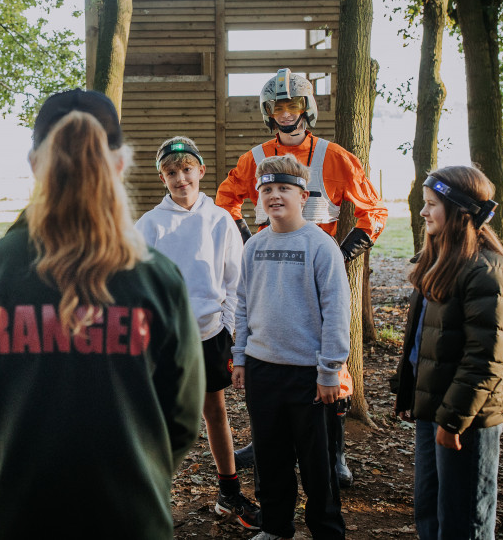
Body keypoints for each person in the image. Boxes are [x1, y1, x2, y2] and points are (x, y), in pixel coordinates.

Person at [0, 89, 205, 539]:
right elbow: (182, 420)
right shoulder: (158, 279)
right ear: (121, 163)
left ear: (34, 164)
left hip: (17, 517)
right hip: (130, 517)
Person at [216, 68, 388, 486]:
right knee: (263, 345)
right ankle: (265, 442)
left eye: (293, 105)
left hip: (317, 269)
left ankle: (334, 455)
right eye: (279, 107)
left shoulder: (335, 156)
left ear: (306, 108)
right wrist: (246, 240)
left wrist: (341, 253)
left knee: (330, 356)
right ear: (268, 112)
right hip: (268, 267)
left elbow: (375, 211)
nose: (286, 113)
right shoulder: (254, 158)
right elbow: (226, 198)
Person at [135, 136, 259, 531]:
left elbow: (234, 281)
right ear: (163, 178)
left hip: (210, 335)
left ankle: (228, 492)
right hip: (165, 341)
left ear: (201, 171)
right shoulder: (150, 224)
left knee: (215, 412)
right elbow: (138, 283)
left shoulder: (220, 219)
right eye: (172, 172)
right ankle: (152, 501)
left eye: (187, 169)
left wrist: (226, 329)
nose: (180, 178)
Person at [392, 166, 503, 539]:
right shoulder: (438, 261)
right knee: (430, 510)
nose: (422, 212)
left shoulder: (489, 273)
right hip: (433, 409)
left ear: (460, 211)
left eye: (431, 204)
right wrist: (409, 393)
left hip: (467, 419)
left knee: (464, 521)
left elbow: (485, 360)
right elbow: (422, 340)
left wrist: (453, 421)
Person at [232, 155, 350, 540]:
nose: (275, 196)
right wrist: (240, 358)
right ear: (258, 198)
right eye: (267, 190)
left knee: (317, 465)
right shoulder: (253, 246)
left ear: (303, 196)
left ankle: (327, 532)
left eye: (283, 188)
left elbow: (336, 310)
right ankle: (277, 528)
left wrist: (330, 369)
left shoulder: (321, 245)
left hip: (310, 375)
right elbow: (243, 304)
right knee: (270, 458)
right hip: (263, 369)